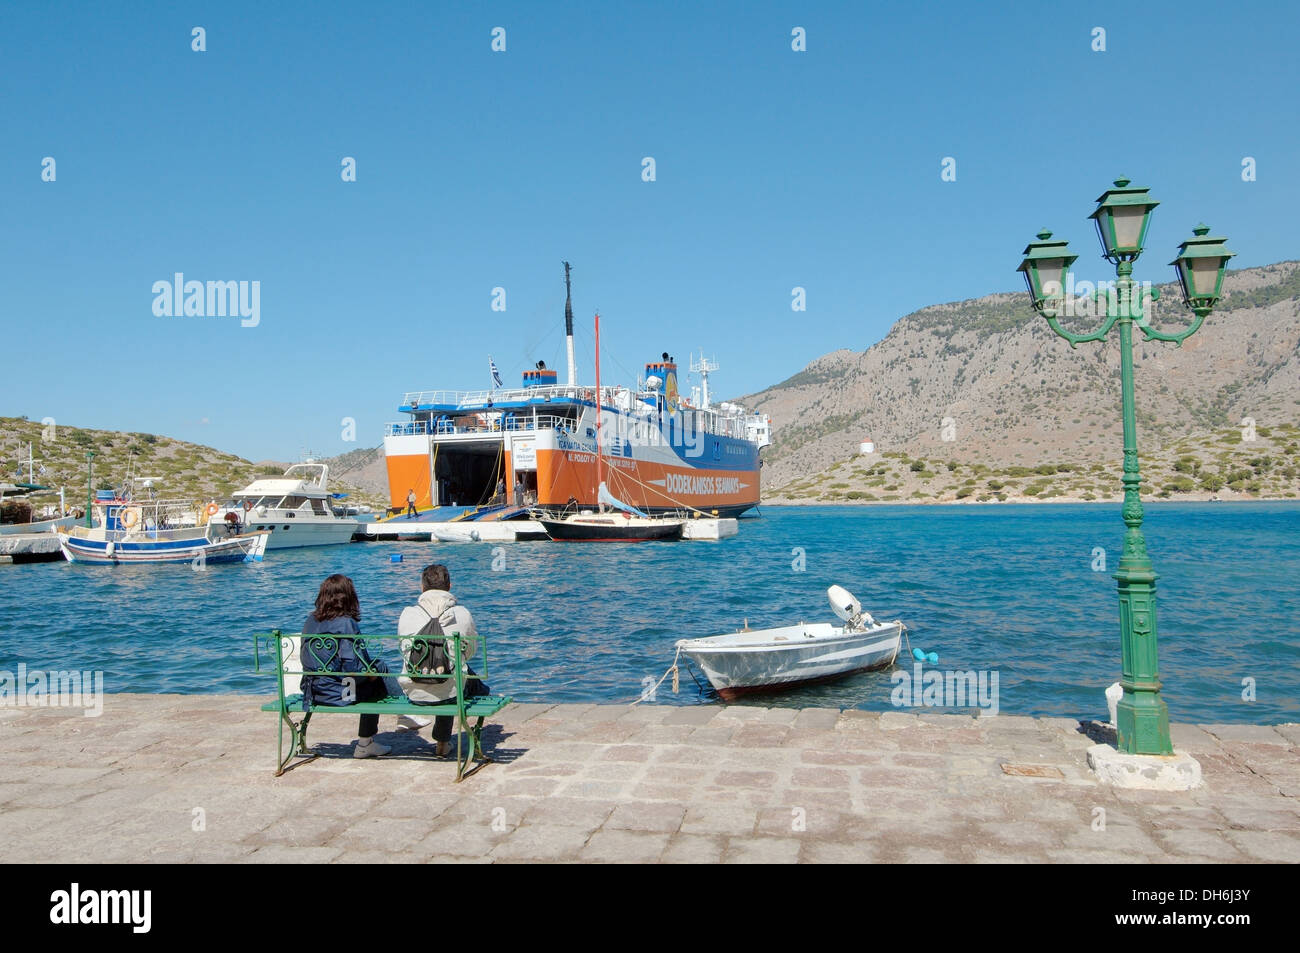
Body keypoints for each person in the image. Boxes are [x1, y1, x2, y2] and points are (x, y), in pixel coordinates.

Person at [300, 574, 423, 758]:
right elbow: (356, 667)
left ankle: (399, 720)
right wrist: (372, 674)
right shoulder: (346, 623)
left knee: (375, 673)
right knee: (378, 671)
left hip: (312, 690)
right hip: (339, 693)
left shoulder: (310, 621)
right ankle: (399, 718)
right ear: (348, 597)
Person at [397, 564, 488, 757]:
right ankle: (443, 741)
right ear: (450, 586)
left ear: (422, 587)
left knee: (445, 673)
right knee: (462, 678)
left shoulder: (407, 614)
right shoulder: (462, 614)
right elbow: (470, 652)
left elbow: (404, 651)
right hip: (452, 693)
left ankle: (443, 741)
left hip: (414, 692)